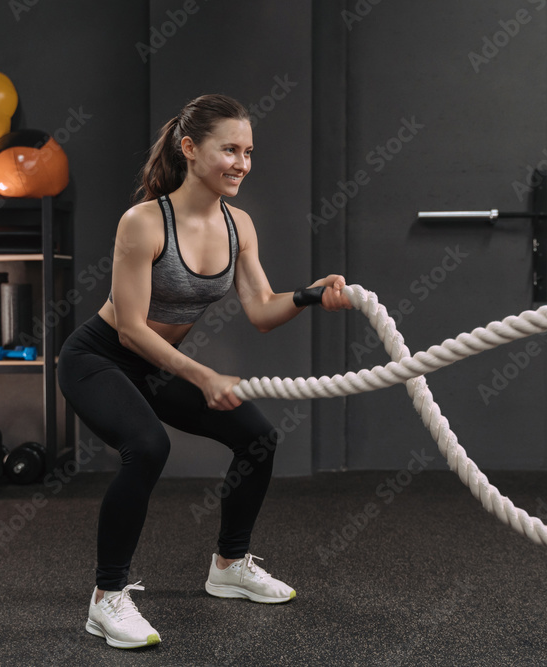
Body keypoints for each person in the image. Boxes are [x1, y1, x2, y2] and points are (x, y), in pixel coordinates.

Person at [57, 93, 351, 650]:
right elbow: (131, 330)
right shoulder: (143, 223)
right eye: (229, 150)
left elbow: (263, 308)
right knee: (146, 448)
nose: (241, 163)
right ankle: (105, 599)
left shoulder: (239, 225)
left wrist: (313, 295)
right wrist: (202, 375)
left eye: (248, 151)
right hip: (99, 359)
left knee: (258, 439)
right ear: (190, 149)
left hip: (156, 366)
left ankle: (229, 565)